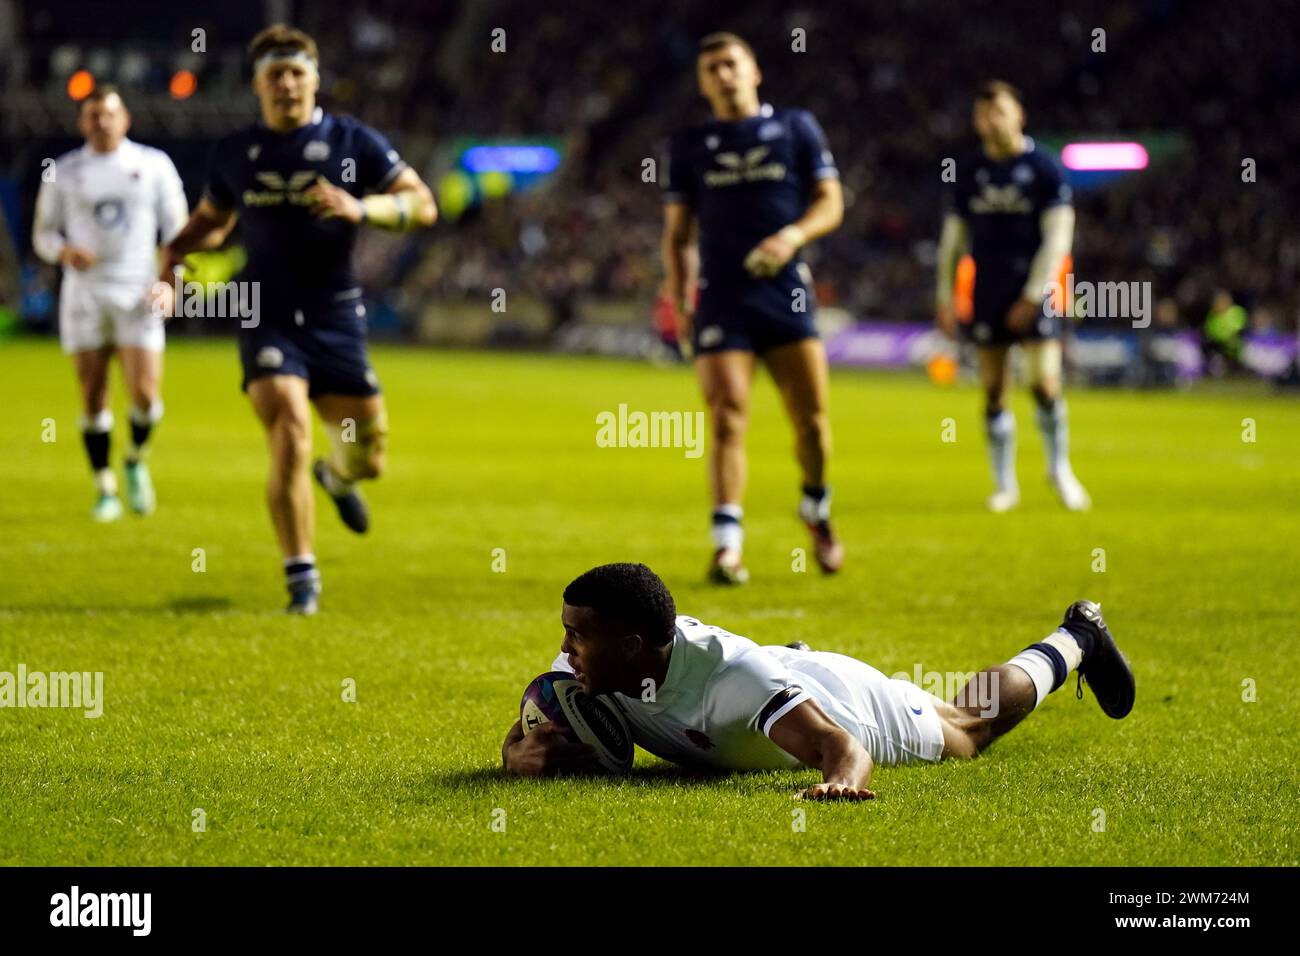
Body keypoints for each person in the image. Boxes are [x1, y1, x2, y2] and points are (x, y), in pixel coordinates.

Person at [160, 24, 437, 614]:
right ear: (258, 85)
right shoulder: (236, 150)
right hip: (266, 313)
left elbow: (422, 204)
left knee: (370, 456)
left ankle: (336, 479)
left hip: (337, 315)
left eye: (296, 74)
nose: (285, 84)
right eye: (273, 75)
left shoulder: (352, 140)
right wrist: (174, 251)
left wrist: (360, 205)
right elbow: (214, 219)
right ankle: (301, 577)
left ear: (314, 81)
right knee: (287, 426)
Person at [501, 563, 1135, 800]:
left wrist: (841, 785)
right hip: (778, 674)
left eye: (576, 635)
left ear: (632, 645)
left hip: (848, 703)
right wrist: (517, 754)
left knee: (969, 726)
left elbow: (843, 748)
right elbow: (530, 723)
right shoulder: (592, 666)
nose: (564, 647)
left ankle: (1076, 639)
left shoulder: (733, 679)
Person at [661, 33, 845, 584]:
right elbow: (677, 236)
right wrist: (680, 300)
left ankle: (815, 506)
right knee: (726, 417)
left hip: (786, 292)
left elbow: (832, 201)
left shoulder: (795, 127)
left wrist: (791, 238)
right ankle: (726, 546)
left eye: (731, 64)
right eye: (711, 68)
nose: (723, 74)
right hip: (721, 297)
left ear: (754, 70)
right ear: (702, 82)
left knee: (810, 423)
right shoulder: (690, 145)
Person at [33, 85, 188, 521]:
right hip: (85, 293)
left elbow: (177, 230)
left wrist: (170, 283)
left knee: (144, 394)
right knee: (92, 394)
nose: (102, 121)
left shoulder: (153, 165)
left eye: (109, 114)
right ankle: (104, 487)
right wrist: (64, 252)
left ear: (126, 119)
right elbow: (43, 235)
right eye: (93, 115)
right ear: (82, 122)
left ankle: (136, 459)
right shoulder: (62, 172)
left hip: (138, 290)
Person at [936, 81, 1090, 512]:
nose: (991, 121)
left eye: (1000, 111)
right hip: (988, 289)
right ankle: (1005, 485)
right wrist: (945, 298)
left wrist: (1033, 293)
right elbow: (953, 243)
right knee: (993, 389)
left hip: (1036, 289)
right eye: (984, 114)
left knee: (1043, 383)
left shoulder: (1044, 168)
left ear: (1019, 115)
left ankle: (1059, 470)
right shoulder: (969, 172)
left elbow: (1058, 238)